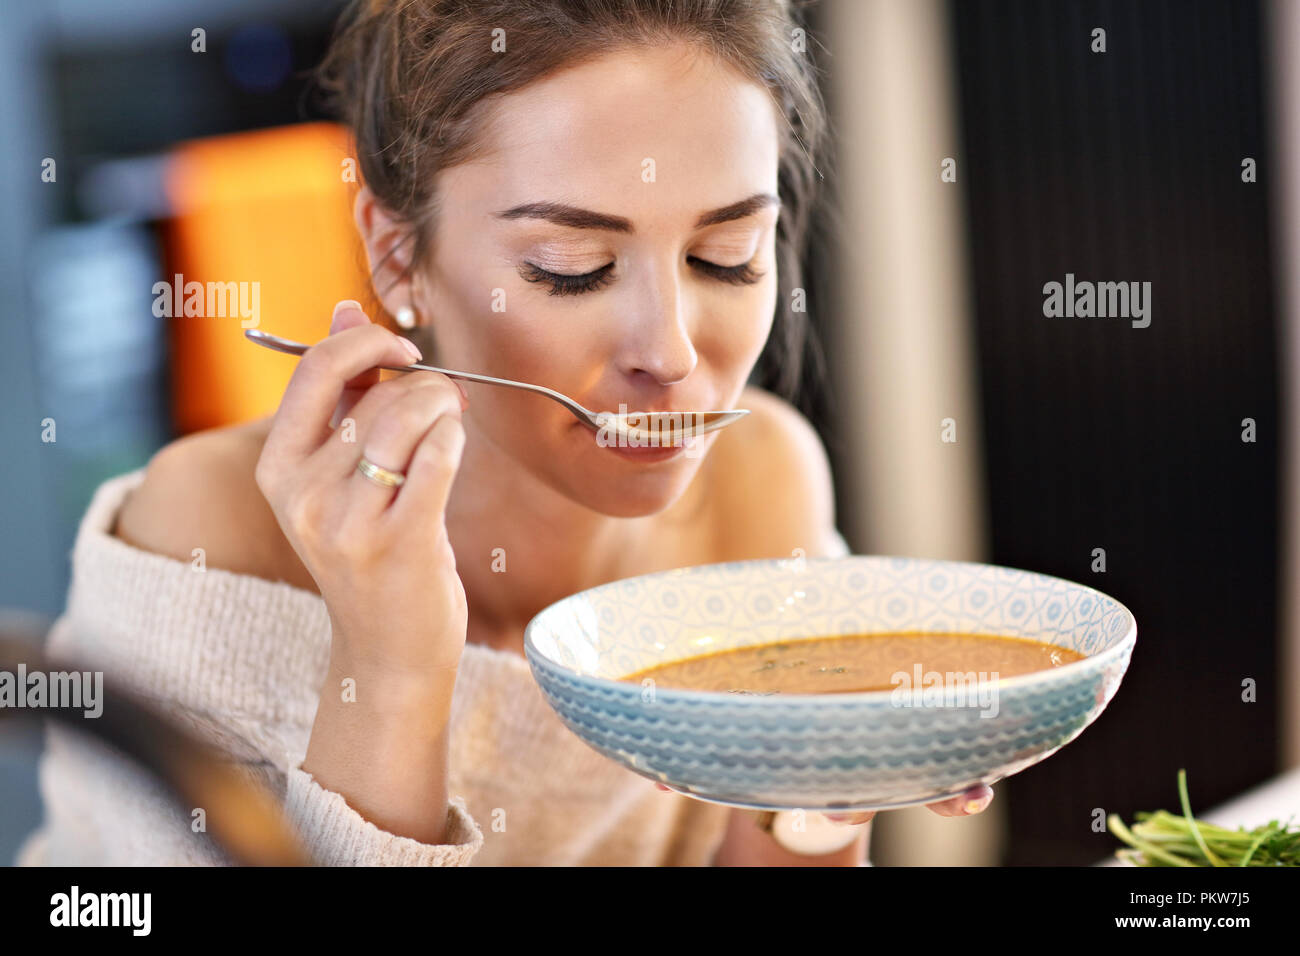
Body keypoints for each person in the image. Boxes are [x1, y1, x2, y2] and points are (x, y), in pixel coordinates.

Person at [17, 0, 992, 866]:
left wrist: (830, 783)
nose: (671, 351)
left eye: (724, 257)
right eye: (570, 268)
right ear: (399, 254)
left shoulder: (763, 481)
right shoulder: (207, 535)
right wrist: (389, 662)